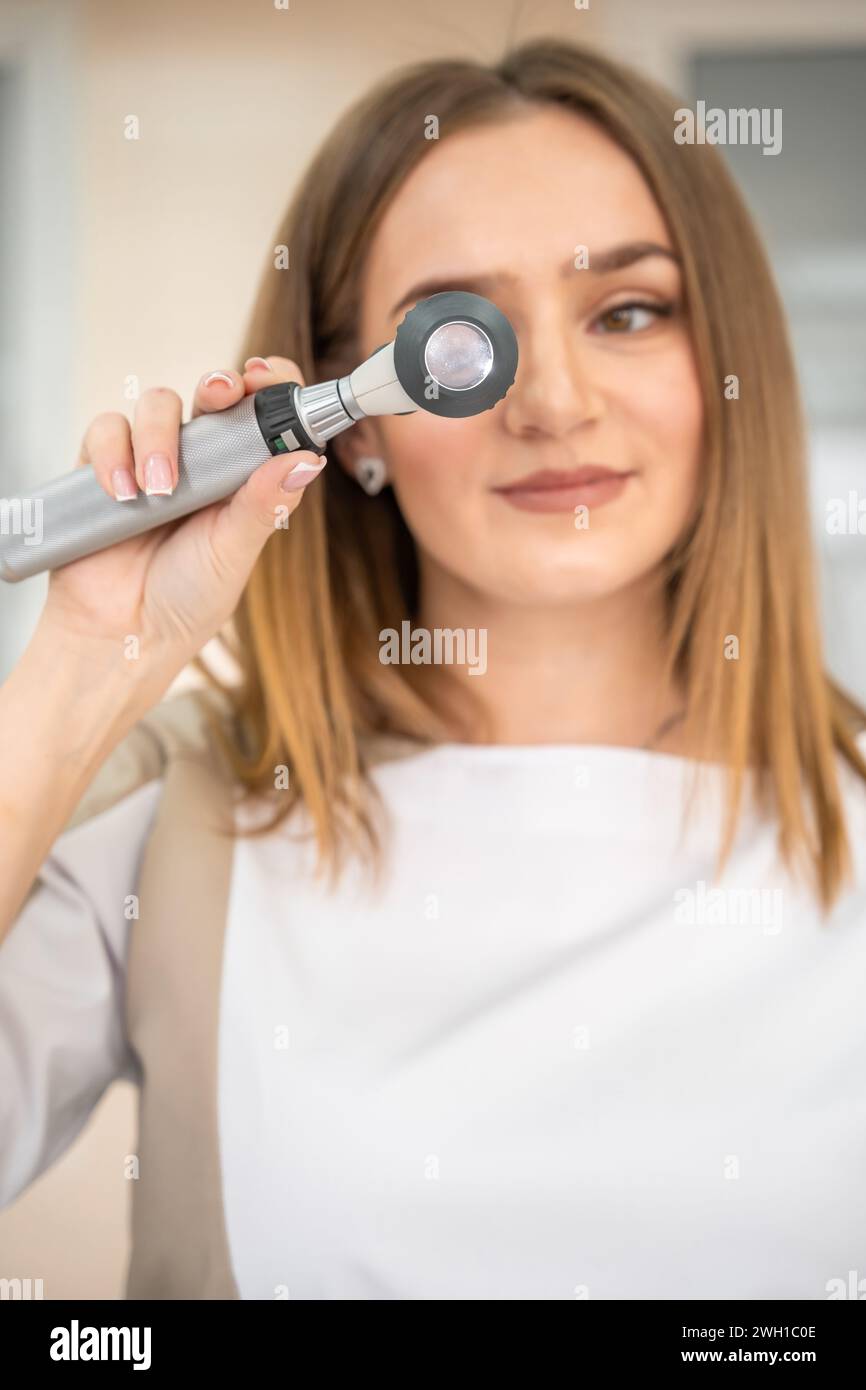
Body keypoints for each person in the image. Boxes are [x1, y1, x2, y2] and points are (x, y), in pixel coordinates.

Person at [1, 37, 865, 1301]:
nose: (553, 402)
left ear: (721, 371)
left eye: (627, 310)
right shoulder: (173, 817)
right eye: (458, 344)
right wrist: (81, 669)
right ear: (356, 435)